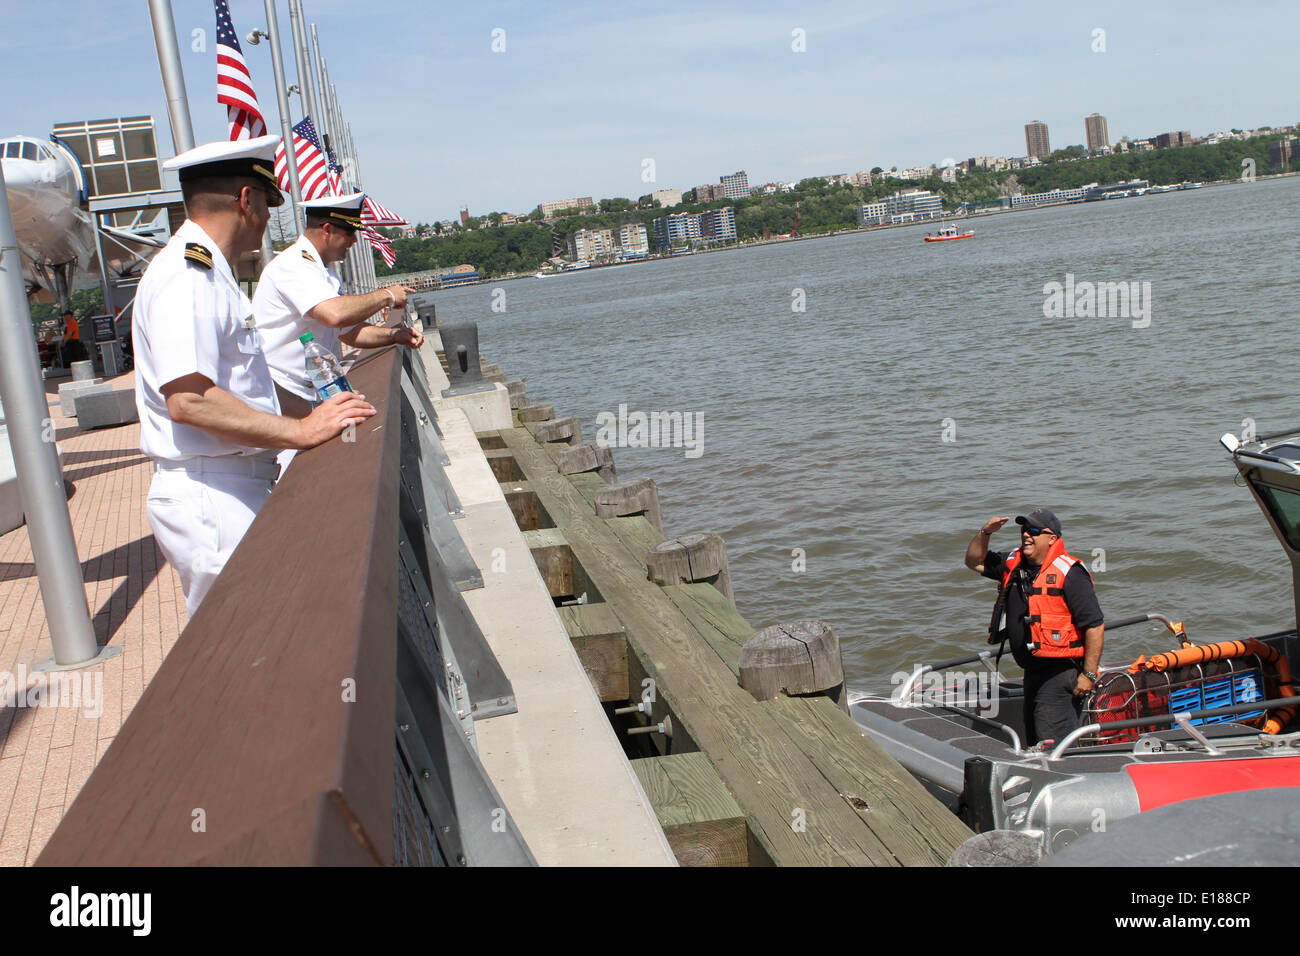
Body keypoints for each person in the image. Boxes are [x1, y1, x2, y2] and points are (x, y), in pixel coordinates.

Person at [132, 135, 375, 615]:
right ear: (247, 200)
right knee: (246, 641)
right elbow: (190, 400)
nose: (268, 219)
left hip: (234, 481)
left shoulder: (211, 273)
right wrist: (302, 430)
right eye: (267, 203)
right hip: (213, 491)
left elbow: (243, 386)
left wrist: (322, 414)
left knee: (267, 631)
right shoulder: (188, 275)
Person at [253, 192, 420, 423]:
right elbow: (336, 315)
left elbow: (348, 332)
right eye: (350, 232)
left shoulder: (324, 270)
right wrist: (387, 296)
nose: (354, 240)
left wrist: (394, 335)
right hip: (282, 391)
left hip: (312, 388)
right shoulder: (293, 266)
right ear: (328, 230)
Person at [964, 508, 1105, 746]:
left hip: (1061, 672)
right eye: (1024, 530)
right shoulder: (1013, 564)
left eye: (1035, 531)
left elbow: (1094, 626)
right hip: (1032, 672)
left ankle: (1062, 777)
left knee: (1051, 743)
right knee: (1034, 740)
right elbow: (973, 561)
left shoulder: (1070, 573)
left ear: (1052, 539)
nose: (1027, 535)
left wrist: (1088, 675)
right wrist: (985, 532)